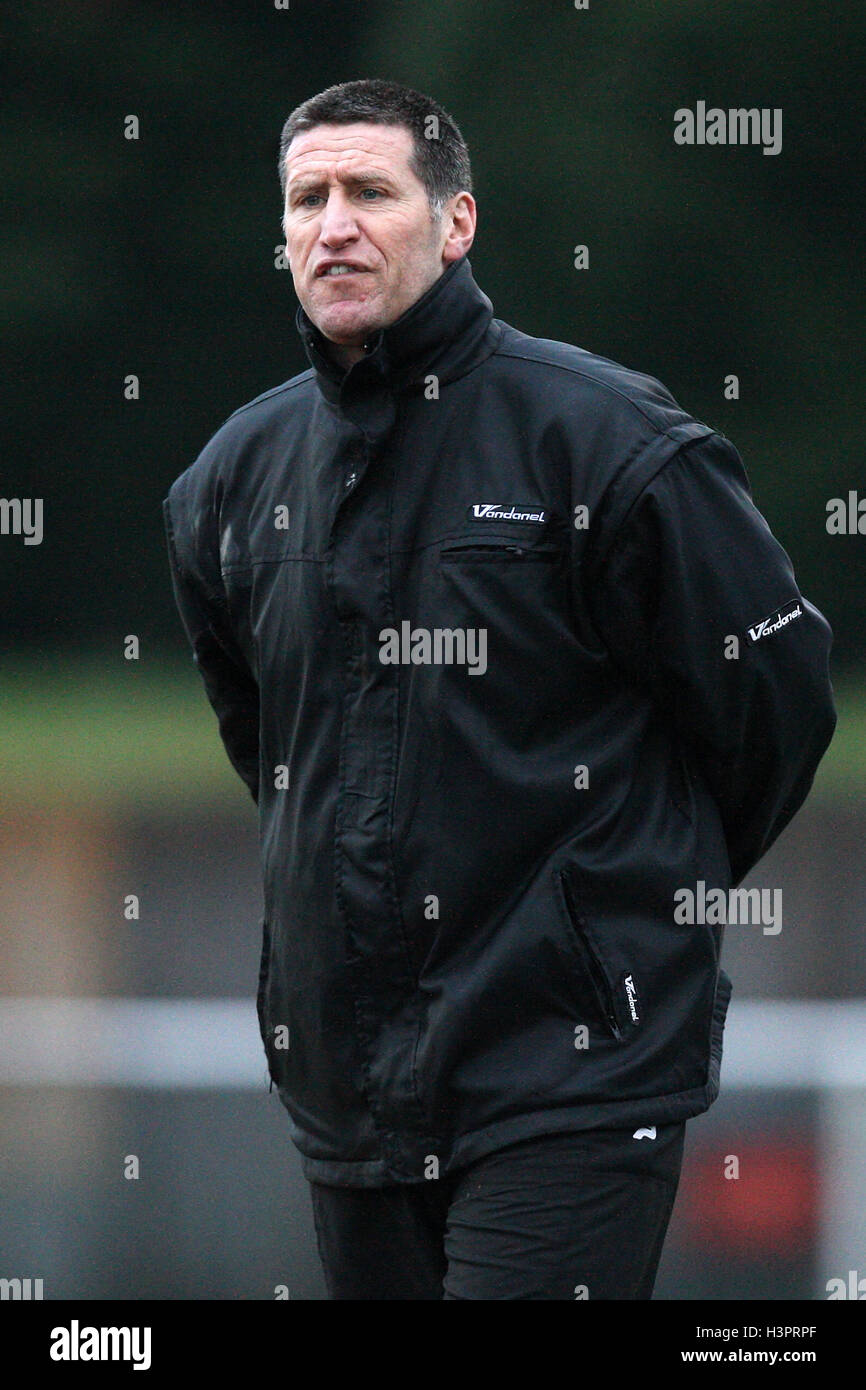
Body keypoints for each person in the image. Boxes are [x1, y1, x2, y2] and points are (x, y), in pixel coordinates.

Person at [163, 79, 836, 1300]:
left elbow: (772, 708)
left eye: (370, 192)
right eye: (306, 199)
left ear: (455, 222)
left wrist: (606, 912)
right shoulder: (228, 481)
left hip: (567, 1076)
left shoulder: (608, 442)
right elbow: (271, 749)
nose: (333, 225)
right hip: (348, 1086)